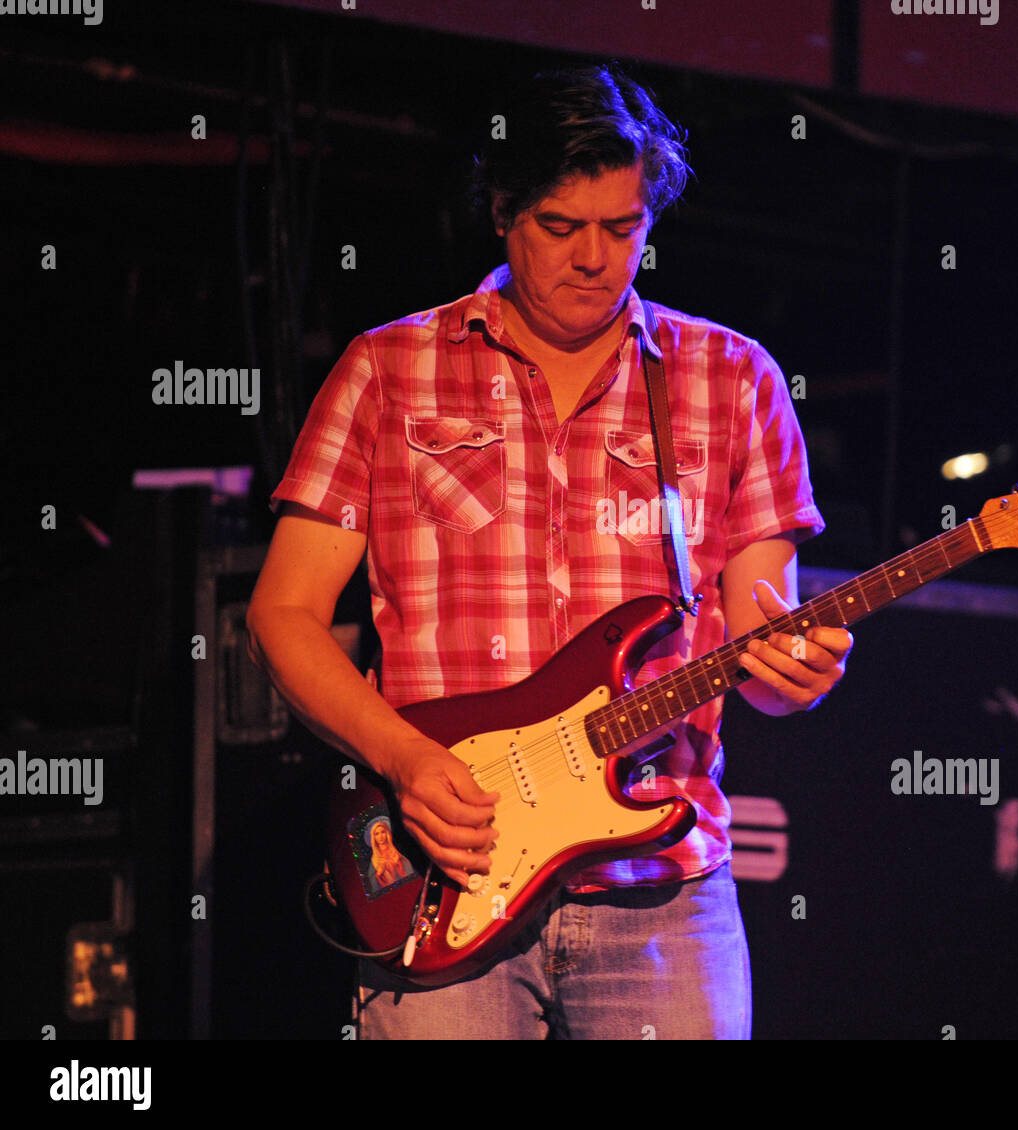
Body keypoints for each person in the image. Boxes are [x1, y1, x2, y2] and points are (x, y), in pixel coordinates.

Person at [246, 63, 853, 1040]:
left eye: (622, 229)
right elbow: (283, 611)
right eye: (560, 228)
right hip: (448, 864)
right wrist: (403, 760)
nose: (594, 260)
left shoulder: (732, 378)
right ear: (501, 212)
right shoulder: (388, 368)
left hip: (660, 884)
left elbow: (762, 635)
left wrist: (798, 667)